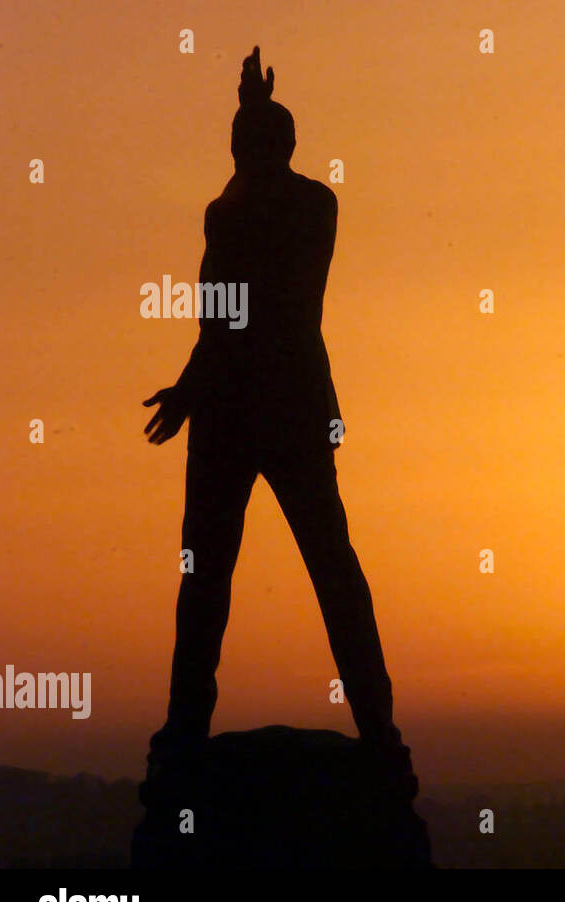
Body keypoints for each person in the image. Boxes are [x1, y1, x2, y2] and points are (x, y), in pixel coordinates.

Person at [142, 47, 413, 794]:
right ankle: (189, 729)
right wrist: (189, 391)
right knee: (213, 577)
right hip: (246, 410)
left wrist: (192, 391)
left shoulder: (294, 207)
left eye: (249, 141)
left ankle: (376, 726)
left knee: (325, 570)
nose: (241, 155)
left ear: (270, 148)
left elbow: (254, 305)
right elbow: (222, 314)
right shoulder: (255, 208)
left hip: (264, 409)